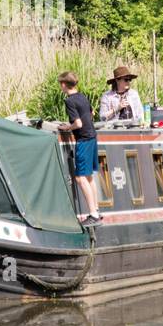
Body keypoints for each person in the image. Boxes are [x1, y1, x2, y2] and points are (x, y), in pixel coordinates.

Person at [58, 70, 101, 225]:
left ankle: (93, 215)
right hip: (92, 136)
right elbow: (90, 114)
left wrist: (67, 128)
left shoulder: (69, 101)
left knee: (80, 177)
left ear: (63, 84)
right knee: (89, 176)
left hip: (83, 139)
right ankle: (96, 209)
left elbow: (78, 123)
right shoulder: (83, 96)